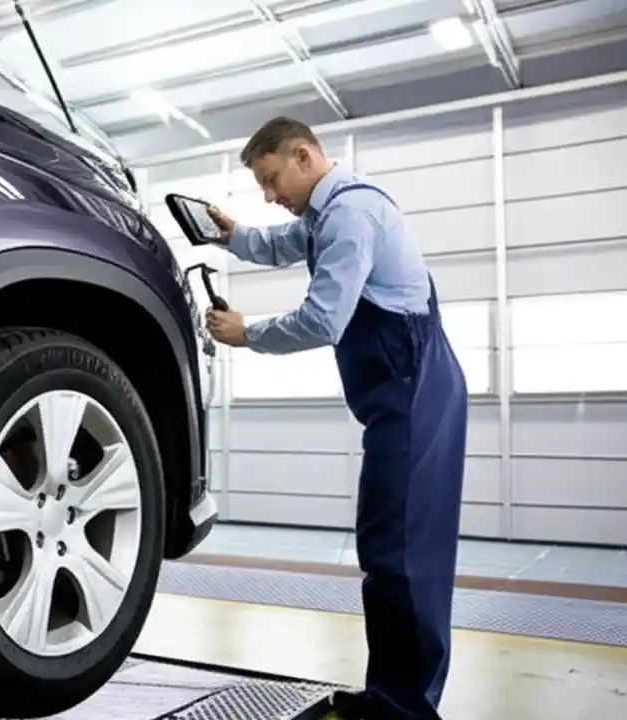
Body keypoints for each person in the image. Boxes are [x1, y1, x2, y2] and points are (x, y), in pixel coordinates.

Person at [203, 117, 469, 720]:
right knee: (390, 548)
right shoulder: (324, 215)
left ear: (303, 156)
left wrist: (248, 333)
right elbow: (278, 245)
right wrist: (230, 234)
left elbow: (324, 320)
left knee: (402, 553)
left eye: (272, 180)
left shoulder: (351, 214)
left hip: (415, 390)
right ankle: (392, 697)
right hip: (406, 394)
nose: (271, 195)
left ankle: (405, 708)